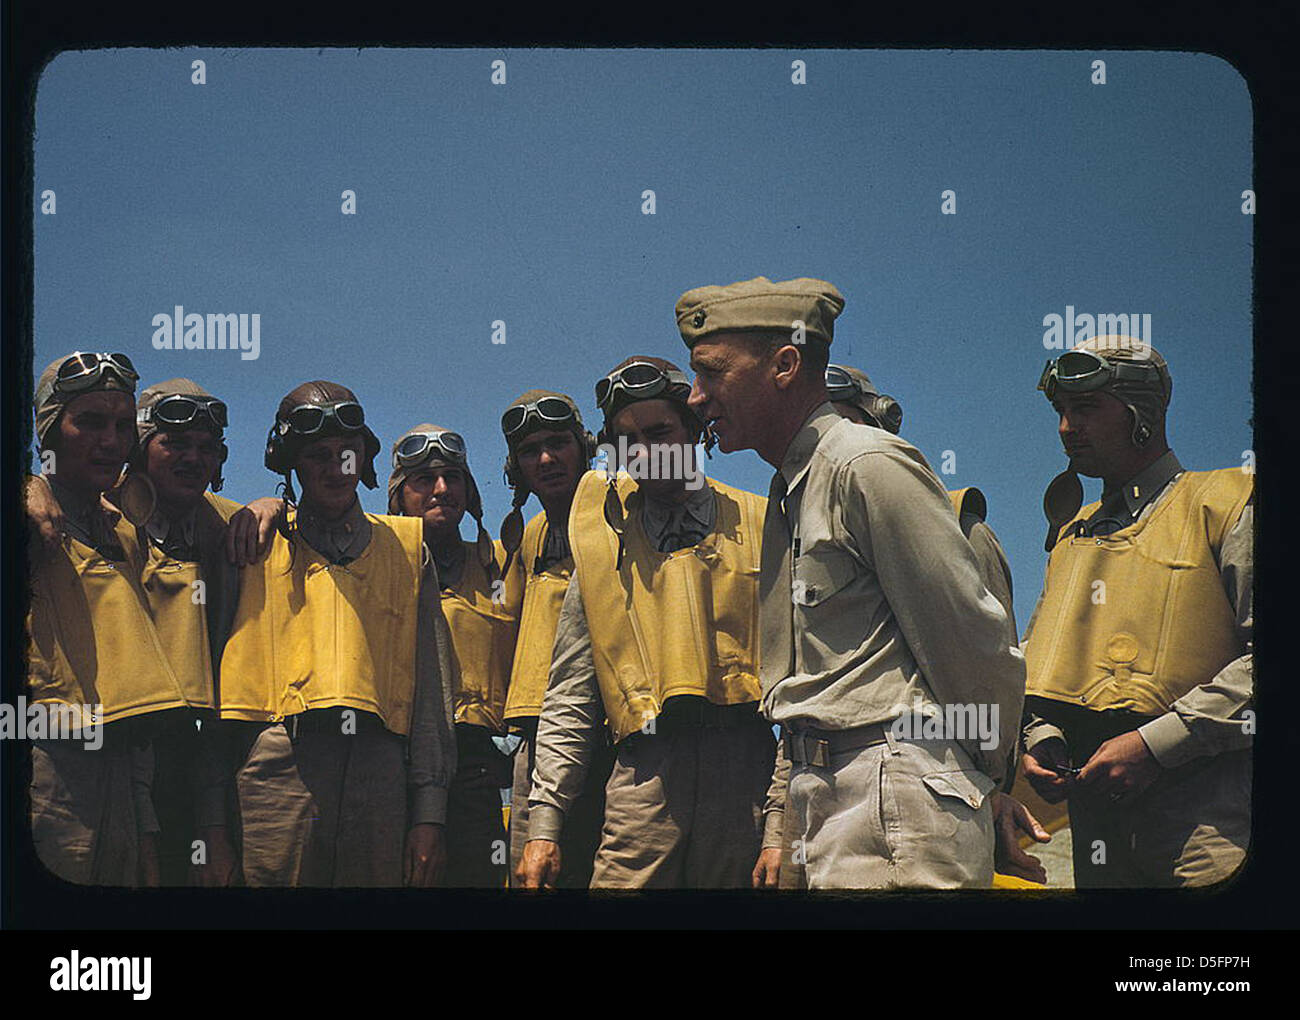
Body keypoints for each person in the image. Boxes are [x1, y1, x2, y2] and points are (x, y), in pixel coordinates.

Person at [680, 276, 1025, 889]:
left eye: (711, 373)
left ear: (785, 364)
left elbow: (971, 641)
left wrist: (985, 779)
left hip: (895, 794)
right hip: (831, 794)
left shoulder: (865, 464)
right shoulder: (793, 489)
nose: (697, 398)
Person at [519, 356, 781, 889]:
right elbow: (570, 693)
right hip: (644, 776)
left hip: (745, 778)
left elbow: (804, 691)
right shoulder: (599, 541)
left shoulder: (765, 522)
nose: (646, 451)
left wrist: (779, 826)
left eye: (660, 431)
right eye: (627, 440)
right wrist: (543, 825)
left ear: (694, 430)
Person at [1019, 335, 1252, 888]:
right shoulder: (1072, 535)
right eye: (1060, 410)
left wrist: (1155, 745)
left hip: (1207, 836)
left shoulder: (1228, 502)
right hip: (1095, 832)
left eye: (1086, 407)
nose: (1066, 428)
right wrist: (1040, 736)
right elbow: (1039, 660)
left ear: (1142, 413)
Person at [214, 381, 456, 886]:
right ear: (290, 464)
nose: (334, 467)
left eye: (347, 453)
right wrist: (213, 826)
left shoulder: (410, 550)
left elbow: (432, 696)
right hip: (275, 776)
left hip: (381, 773)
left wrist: (429, 812)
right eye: (317, 455)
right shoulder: (247, 543)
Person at [25, 352, 175, 885]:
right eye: (88, 422)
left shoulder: (126, 535)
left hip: (117, 769)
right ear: (50, 429)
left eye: (119, 425)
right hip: (45, 768)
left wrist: (145, 821)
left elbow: (129, 677)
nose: (109, 441)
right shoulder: (26, 515)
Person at [389, 423, 520, 887]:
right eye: (423, 480)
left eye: (453, 477)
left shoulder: (505, 564)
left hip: (478, 770)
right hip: (393, 767)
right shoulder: (374, 563)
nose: (442, 489)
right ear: (398, 497)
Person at [497, 390, 612, 888]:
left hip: (618, 737)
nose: (546, 459)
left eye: (558, 443)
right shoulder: (529, 537)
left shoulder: (623, 511)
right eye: (530, 450)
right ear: (515, 468)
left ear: (583, 447)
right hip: (540, 736)